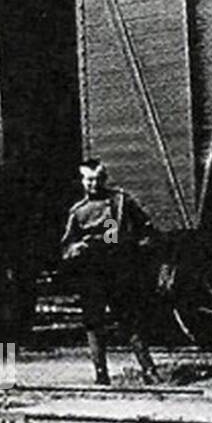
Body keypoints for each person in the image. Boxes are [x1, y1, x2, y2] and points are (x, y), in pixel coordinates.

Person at [59, 159, 160, 385]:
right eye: (88, 180)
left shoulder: (121, 201)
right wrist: (77, 249)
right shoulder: (78, 212)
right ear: (82, 181)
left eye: (97, 179)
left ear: (104, 178)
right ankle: (101, 375)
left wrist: (136, 250)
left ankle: (149, 371)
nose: (93, 184)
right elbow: (66, 248)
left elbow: (146, 228)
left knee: (130, 322)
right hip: (92, 276)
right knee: (94, 324)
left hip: (118, 272)